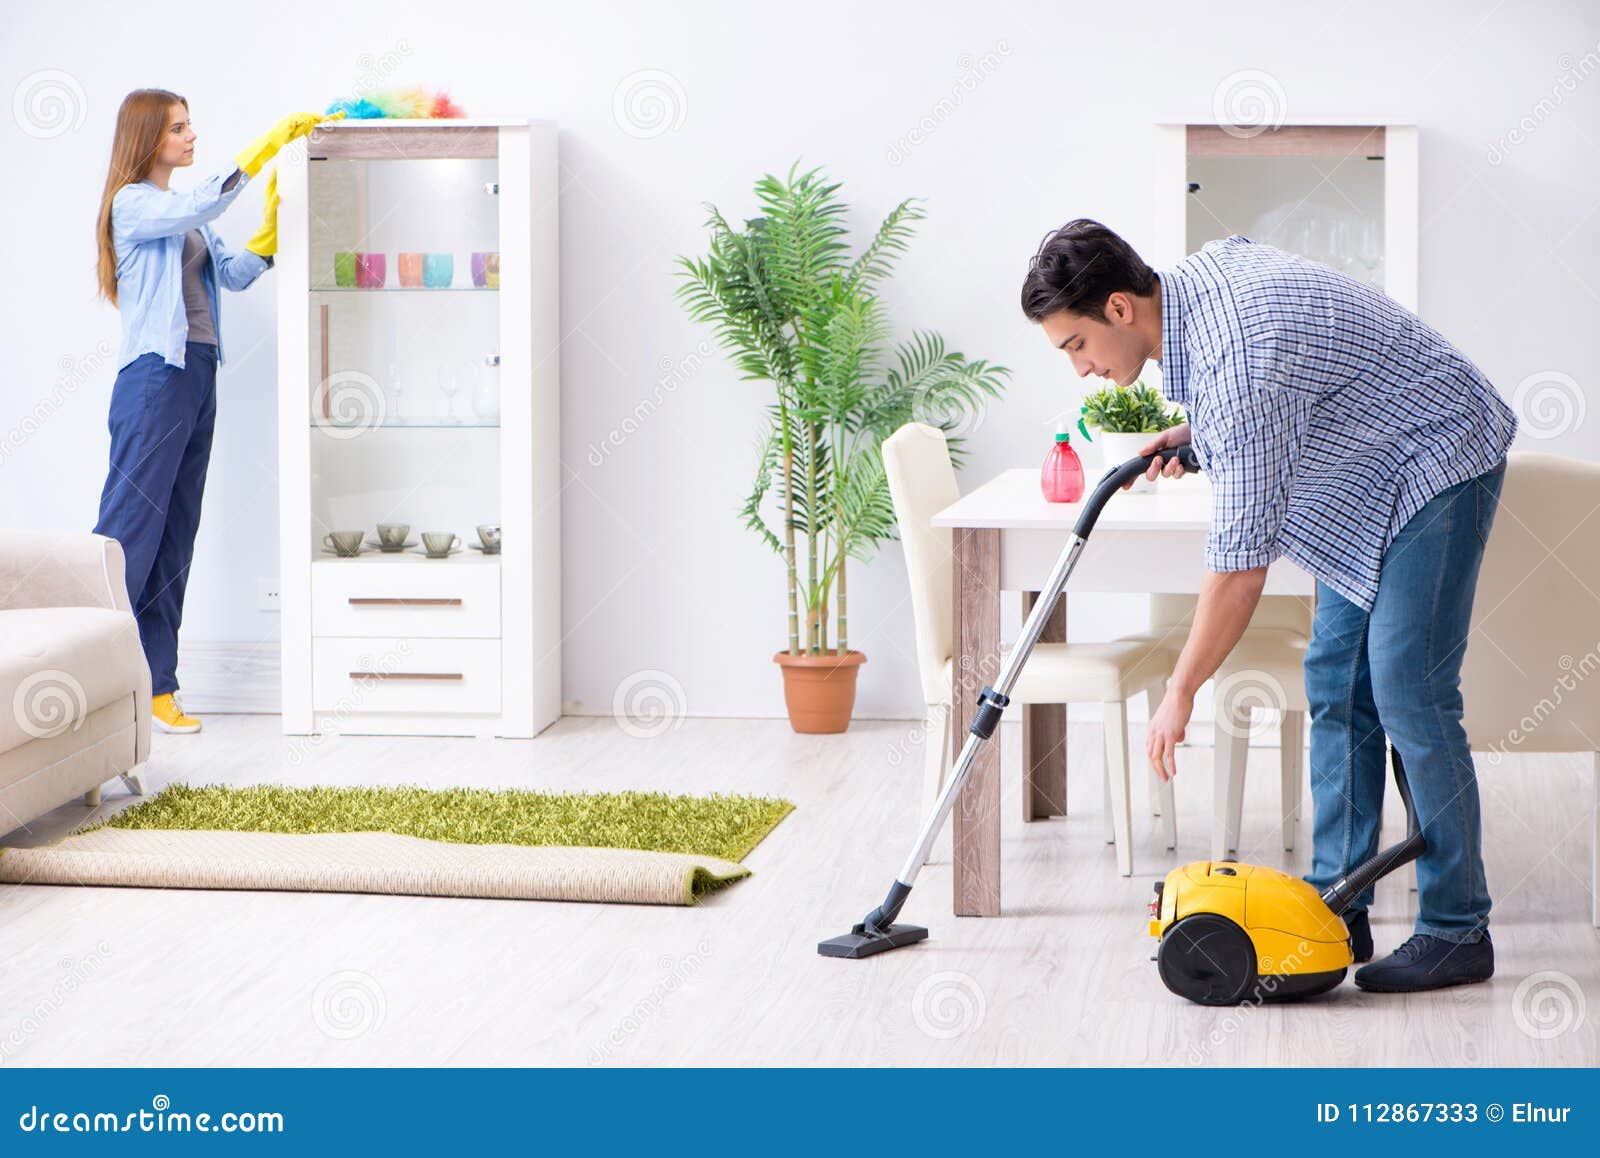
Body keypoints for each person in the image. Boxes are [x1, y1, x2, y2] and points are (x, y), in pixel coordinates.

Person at [1019, 219, 1517, 993]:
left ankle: (1458, 930)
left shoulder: (1238, 365)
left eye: (1074, 345)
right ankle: (1335, 908)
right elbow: (1295, 380)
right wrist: (1202, 431)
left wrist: (1179, 690)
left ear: (1119, 308)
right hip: (1369, 471)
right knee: (1335, 680)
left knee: (1409, 688)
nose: (1080, 369)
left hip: (1438, 450)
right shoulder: (1199, 291)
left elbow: (1240, 570)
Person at [92, 90, 337, 733]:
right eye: (179, 127)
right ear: (148, 139)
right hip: (155, 378)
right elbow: (204, 198)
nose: (191, 134)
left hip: (198, 375)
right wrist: (260, 153)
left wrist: (270, 232)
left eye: (190, 123)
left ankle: (157, 686)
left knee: (175, 533)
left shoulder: (188, 219)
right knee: (127, 537)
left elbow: (231, 274)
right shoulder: (136, 204)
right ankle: (90, 683)